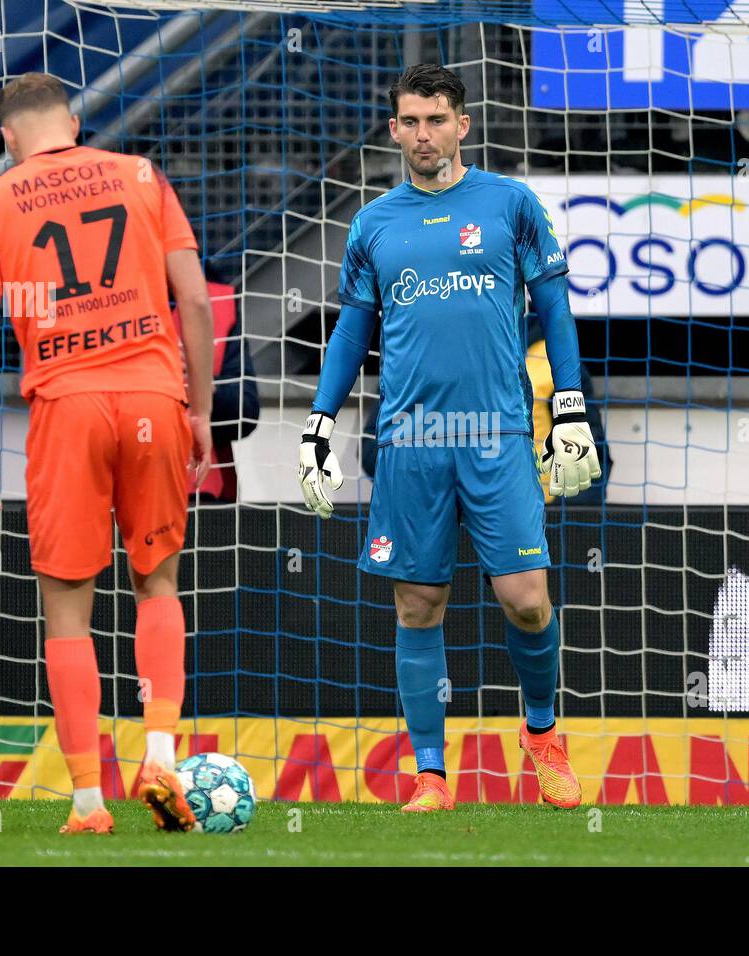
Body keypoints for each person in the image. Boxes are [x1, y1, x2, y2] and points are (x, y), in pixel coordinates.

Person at [299, 64, 600, 811]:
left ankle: (542, 735)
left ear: (463, 125)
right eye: (410, 121)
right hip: (410, 439)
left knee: (527, 600)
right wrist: (318, 423)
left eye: (437, 119)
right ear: (394, 128)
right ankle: (432, 774)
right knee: (417, 606)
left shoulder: (511, 204)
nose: (423, 134)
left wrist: (568, 408)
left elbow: (556, 312)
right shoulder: (373, 223)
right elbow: (351, 333)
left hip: (497, 433)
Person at [0, 73, 214, 834]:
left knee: (68, 611)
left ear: (7, 138)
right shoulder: (140, 174)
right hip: (151, 394)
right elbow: (194, 299)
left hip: (66, 407)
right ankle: (160, 754)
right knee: (157, 580)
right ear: (72, 121)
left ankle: (88, 804)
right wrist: (198, 408)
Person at [361, 315, 613, 505]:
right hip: (440, 515)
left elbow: (594, 464)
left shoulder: (554, 361)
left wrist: (554, 524)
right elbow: (374, 450)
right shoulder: (421, 353)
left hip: (532, 518)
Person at [173, 273, 259, 501]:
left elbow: (247, 411)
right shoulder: (113, 301)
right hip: (132, 487)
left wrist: (201, 385)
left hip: (208, 496)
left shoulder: (219, 300)